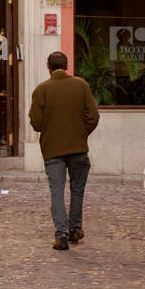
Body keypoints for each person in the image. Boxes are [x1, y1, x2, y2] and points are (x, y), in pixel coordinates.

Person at [28, 50, 100, 250]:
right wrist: (81, 133)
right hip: (78, 149)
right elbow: (93, 116)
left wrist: (50, 129)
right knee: (77, 191)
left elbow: (35, 121)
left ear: (48, 67)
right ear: (66, 66)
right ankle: (75, 229)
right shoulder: (81, 86)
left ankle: (61, 234)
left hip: (53, 150)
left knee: (56, 192)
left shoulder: (41, 89)